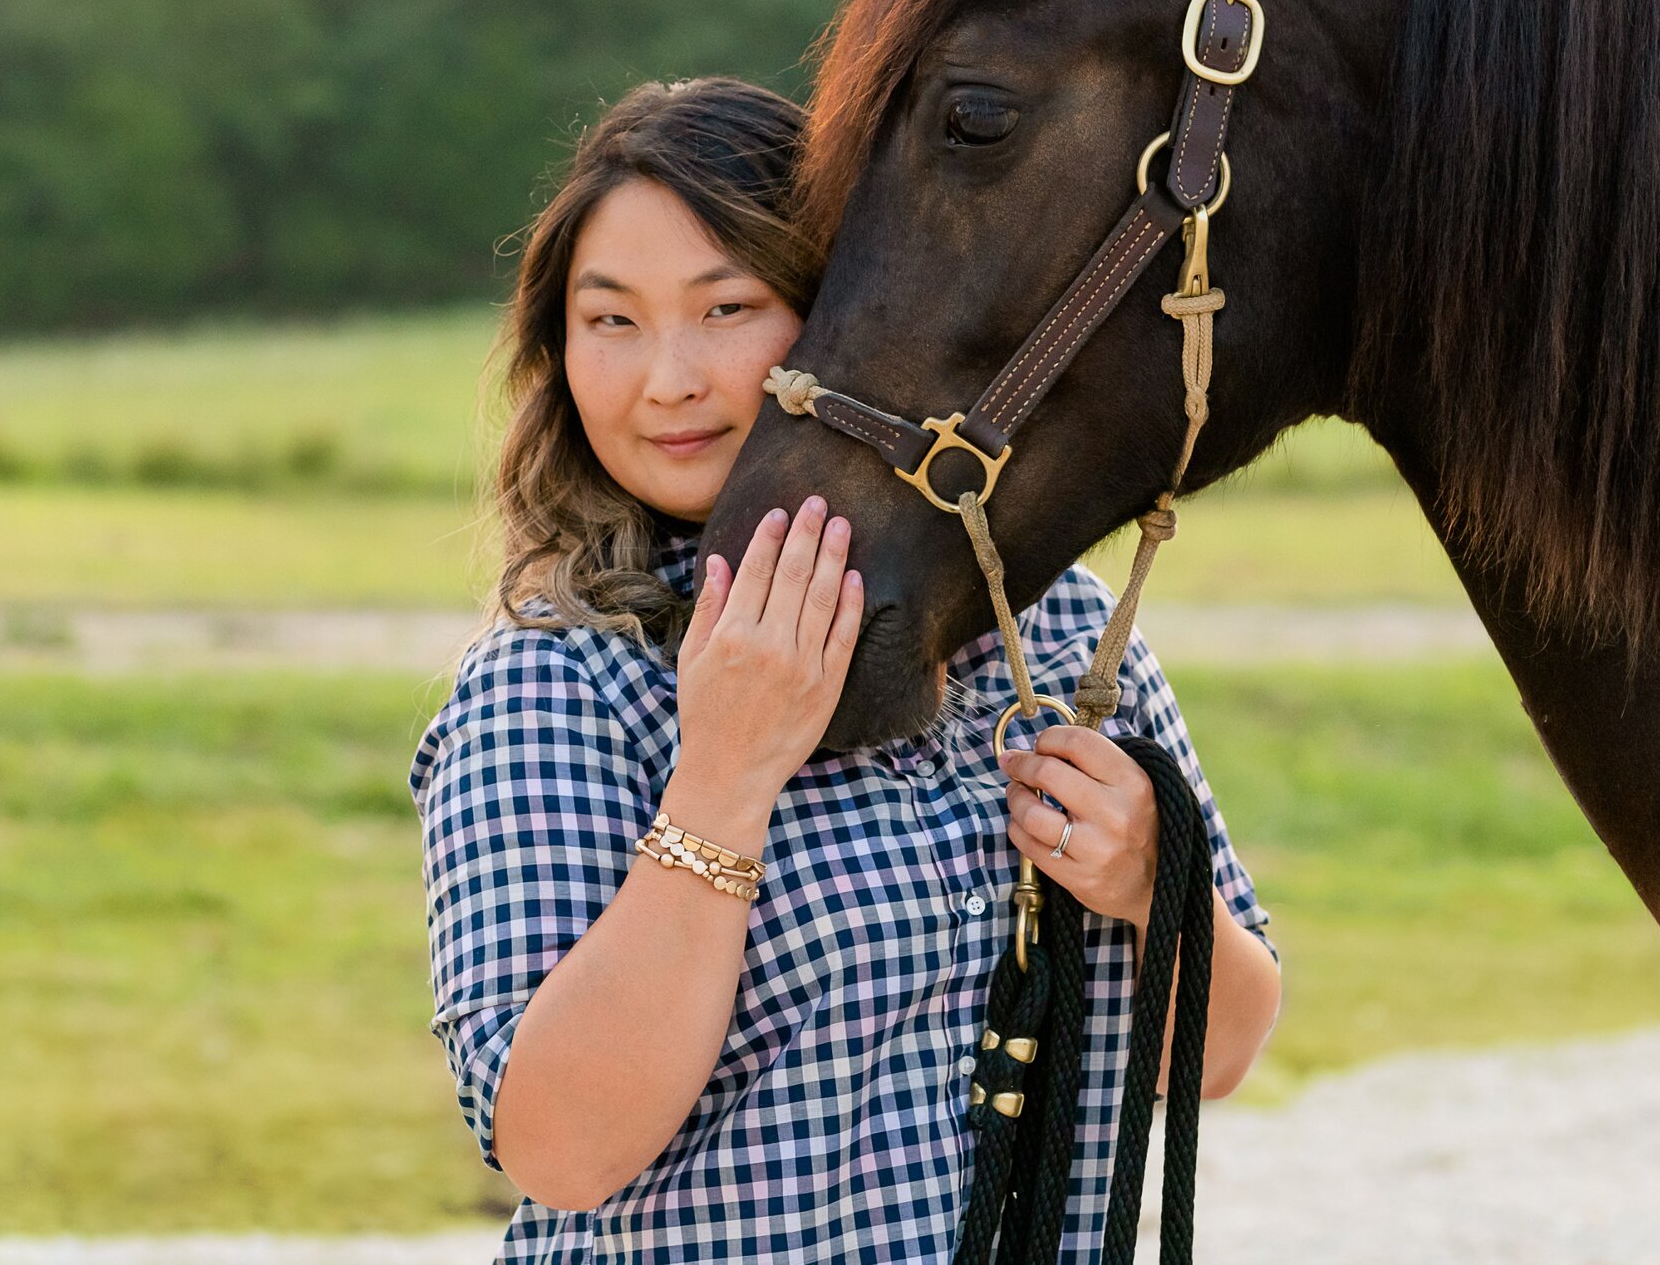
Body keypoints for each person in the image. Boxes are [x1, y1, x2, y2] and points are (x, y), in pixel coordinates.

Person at [409, 76, 1281, 1262]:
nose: (667, 377)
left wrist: (1144, 882)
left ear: (847, 318)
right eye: (609, 319)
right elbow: (560, 1147)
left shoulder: (1053, 626)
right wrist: (722, 775)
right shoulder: (554, 685)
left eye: (727, 307)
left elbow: (1220, 1052)